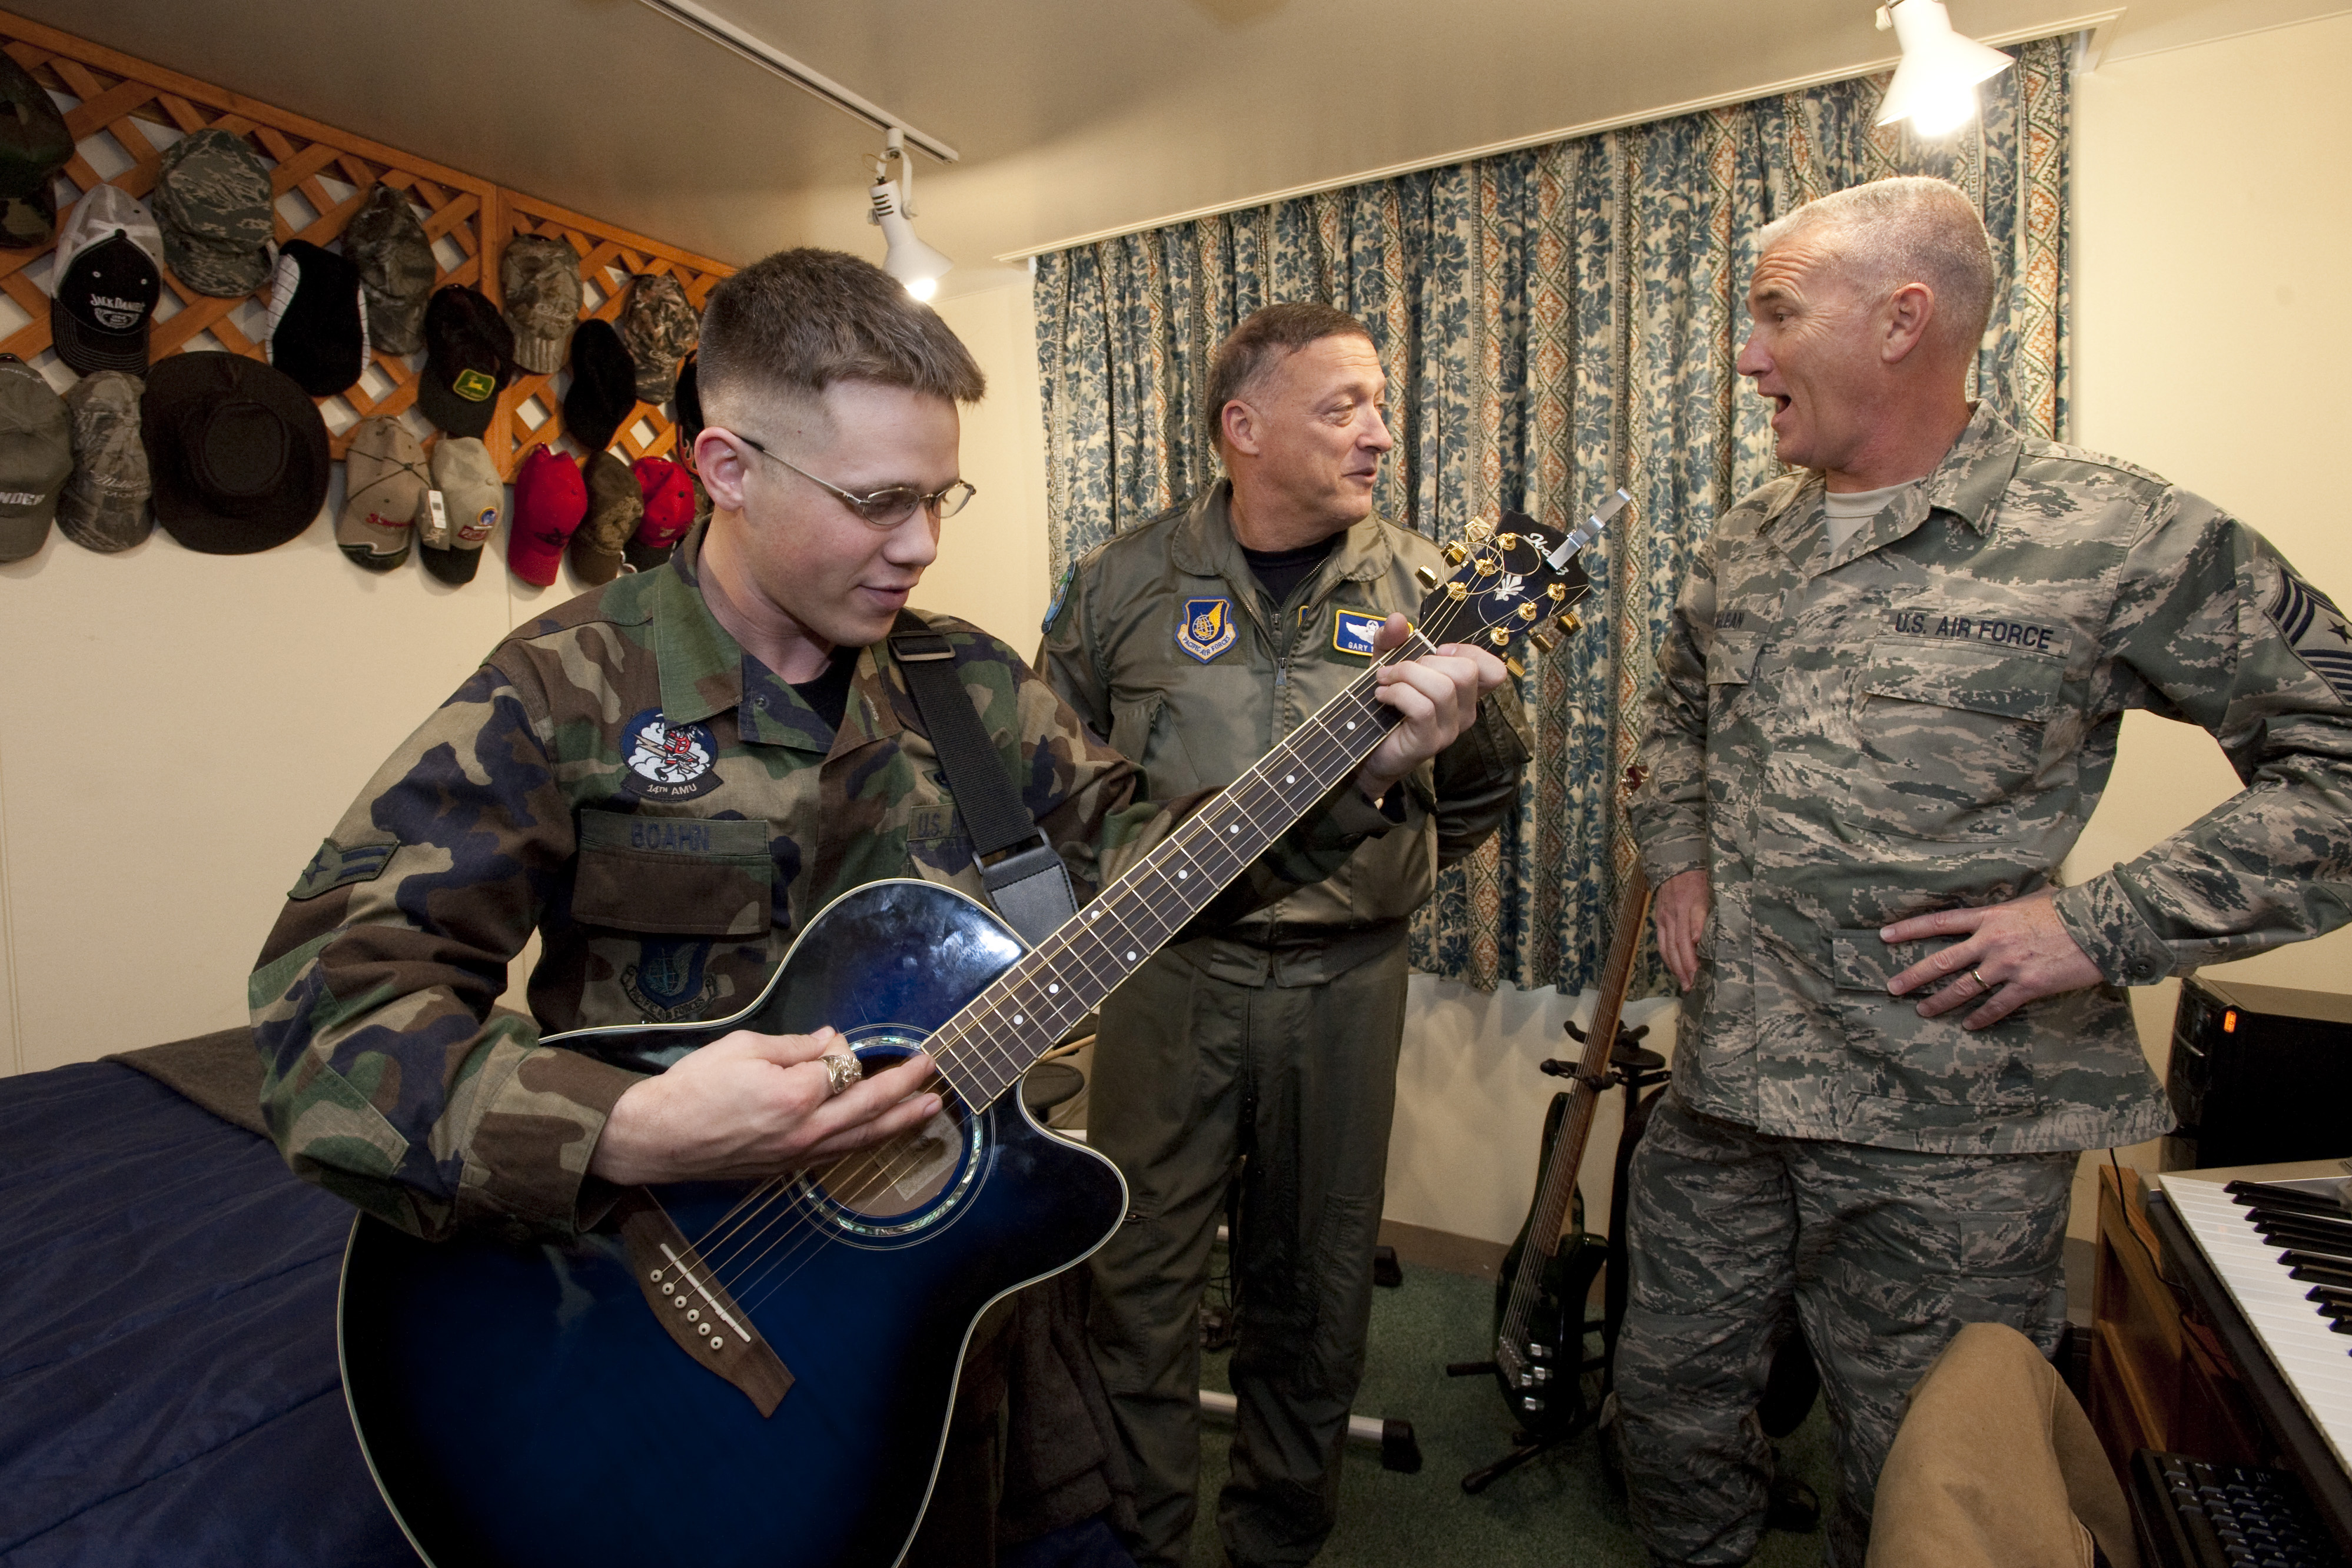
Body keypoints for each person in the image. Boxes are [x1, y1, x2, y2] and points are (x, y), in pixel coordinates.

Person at [250, 251, 1499, 1561]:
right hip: (640, 1294)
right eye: (877, 501)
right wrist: (626, 1125)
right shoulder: (571, 687)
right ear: (728, 469)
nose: (921, 545)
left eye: (939, 497)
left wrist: (1353, 778)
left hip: (957, 1305)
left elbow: (1143, 864)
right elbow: (325, 1017)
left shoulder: (966, 680)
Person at [1615, 175, 2352, 1567]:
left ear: (1905, 321)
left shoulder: (2115, 536)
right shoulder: (1744, 540)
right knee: (1666, 1412)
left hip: (1946, 1126)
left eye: (1776, 312)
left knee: (1927, 1485)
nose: (1745, 354)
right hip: (1727, 1099)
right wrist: (1683, 858)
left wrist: (2100, 928)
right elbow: (1677, 718)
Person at [1042, 303, 1530, 1567]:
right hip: (1167, 977)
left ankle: (1274, 1541)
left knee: (1308, 1289)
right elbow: (1055, 773)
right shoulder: (1122, 583)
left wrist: (1390, 867)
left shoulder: (1431, 589)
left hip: (1343, 984)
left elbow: (1483, 790)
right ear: (1242, 428)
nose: (1380, 432)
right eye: (1344, 407)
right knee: (1135, 1274)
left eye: (1380, 402)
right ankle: (1140, 1537)